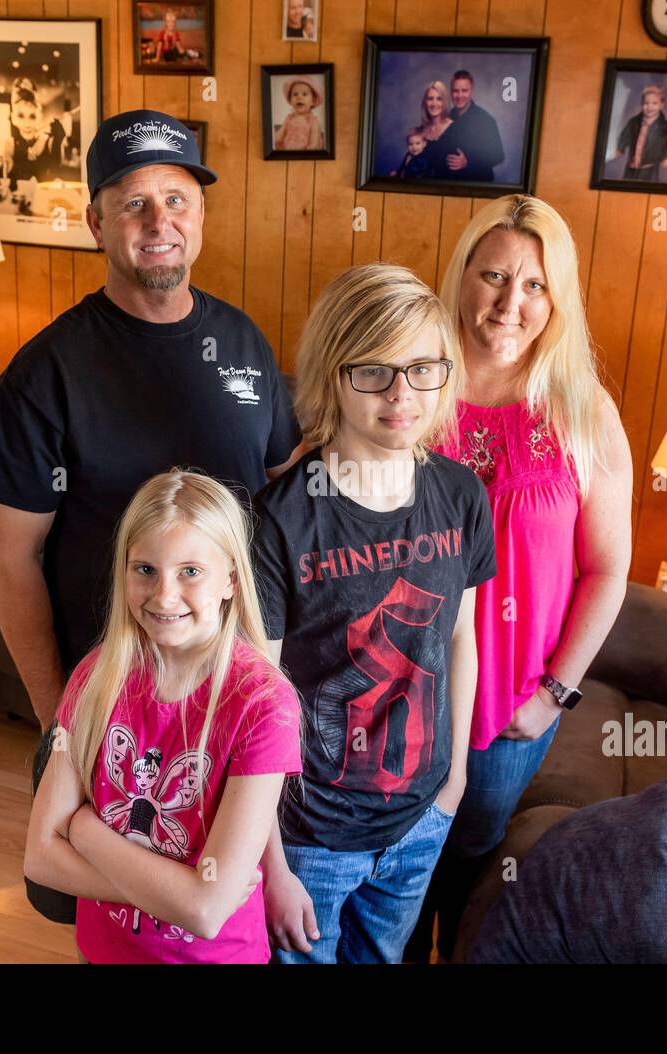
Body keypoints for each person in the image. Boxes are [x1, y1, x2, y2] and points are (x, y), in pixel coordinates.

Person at [0, 110, 302, 922]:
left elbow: (286, 495)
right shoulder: (47, 373)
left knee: (211, 908)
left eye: (178, 200)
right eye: (134, 203)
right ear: (95, 222)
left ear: (203, 215)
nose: (160, 222)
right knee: (95, 908)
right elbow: (7, 557)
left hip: (230, 714)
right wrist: (58, 720)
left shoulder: (245, 347)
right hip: (111, 715)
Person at [404, 194, 633, 963]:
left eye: (535, 285)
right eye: (494, 275)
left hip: (510, 709)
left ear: (556, 298)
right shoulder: (413, 390)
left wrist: (554, 695)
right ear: (461, 275)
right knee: (395, 867)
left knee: (467, 862)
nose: (511, 303)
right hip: (400, 691)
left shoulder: (581, 412)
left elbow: (607, 569)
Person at [253, 263, 497, 964]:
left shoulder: (460, 496)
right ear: (333, 373)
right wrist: (268, 861)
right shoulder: (280, 522)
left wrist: (451, 787)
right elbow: (255, 704)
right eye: (375, 371)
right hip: (310, 836)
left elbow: (462, 637)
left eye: (423, 369)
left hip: (421, 818)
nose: (402, 395)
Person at [24, 469, 302, 963]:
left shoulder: (264, 703)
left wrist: (85, 831)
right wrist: (177, 895)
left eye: (190, 571)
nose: (164, 596)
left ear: (231, 579)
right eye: (145, 569)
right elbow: (41, 857)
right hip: (103, 953)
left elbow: (207, 911)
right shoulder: (96, 676)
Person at [431, 70, 505, 182]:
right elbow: (434, 154)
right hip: (447, 186)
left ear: (471, 92)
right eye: (456, 91)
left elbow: (498, 156)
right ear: (451, 92)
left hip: (476, 186)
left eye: (464, 91)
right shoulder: (444, 118)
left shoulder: (486, 120)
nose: (459, 95)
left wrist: (468, 162)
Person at [5, 78, 67, 191]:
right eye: (20, 116)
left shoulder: (51, 137)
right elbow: (6, 169)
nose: (27, 123)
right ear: (13, 117)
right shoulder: (10, 143)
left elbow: (60, 171)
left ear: (39, 115)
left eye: (32, 116)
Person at [614, 84, 667, 181]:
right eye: (646, 103)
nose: (649, 107)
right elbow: (625, 136)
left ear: (662, 105)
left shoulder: (665, 126)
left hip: (649, 169)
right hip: (632, 167)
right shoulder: (633, 122)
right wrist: (620, 148)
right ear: (642, 104)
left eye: (654, 103)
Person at [273, 78, 325, 151]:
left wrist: (305, 156)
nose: (299, 97)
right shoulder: (289, 118)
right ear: (290, 101)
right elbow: (280, 134)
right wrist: (271, 141)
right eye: (295, 94)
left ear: (312, 101)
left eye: (304, 94)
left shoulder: (312, 120)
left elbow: (314, 143)